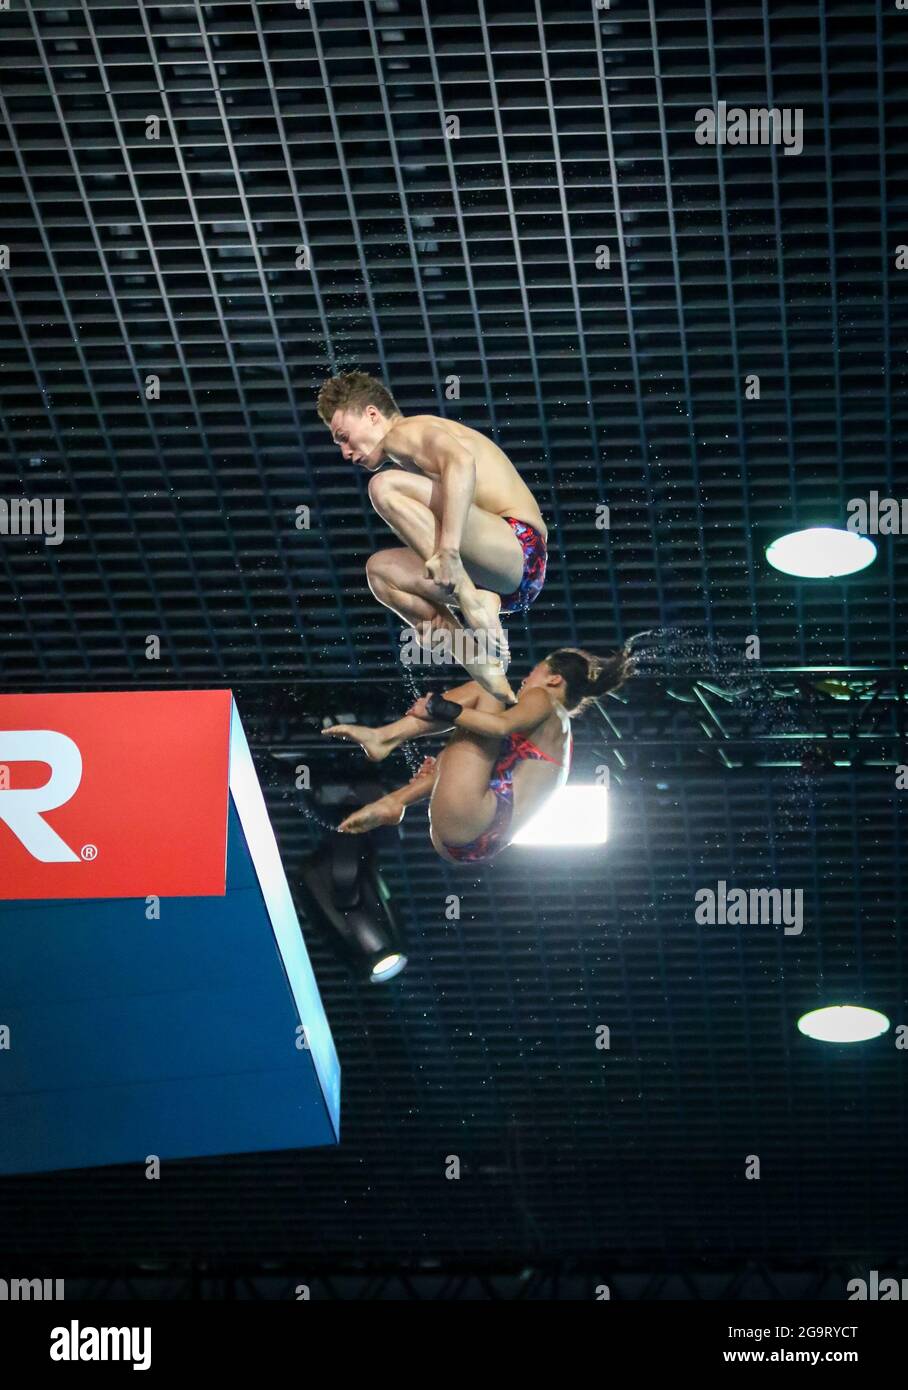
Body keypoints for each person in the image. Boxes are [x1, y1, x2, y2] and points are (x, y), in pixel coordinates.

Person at [317, 371, 549, 705]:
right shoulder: (405, 449)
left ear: (372, 414)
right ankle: (481, 664)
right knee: (380, 572)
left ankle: (468, 594)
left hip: (519, 547)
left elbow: (460, 461)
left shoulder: (405, 432)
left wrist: (450, 554)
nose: (345, 451)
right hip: (500, 578)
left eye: (344, 436)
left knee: (383, 486)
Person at [322, 647, 633, 866]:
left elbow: (500, 725)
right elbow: (494, 761)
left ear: (554, 679)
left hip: (476, 818)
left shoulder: (546, 702)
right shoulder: (556, 737)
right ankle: (396, 801)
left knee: (489, 687)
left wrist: (440, 709)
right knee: (468, 742)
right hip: (475, 840)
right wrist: (440, 770)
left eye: (534, 672)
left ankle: (383, 737)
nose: (525, 680)